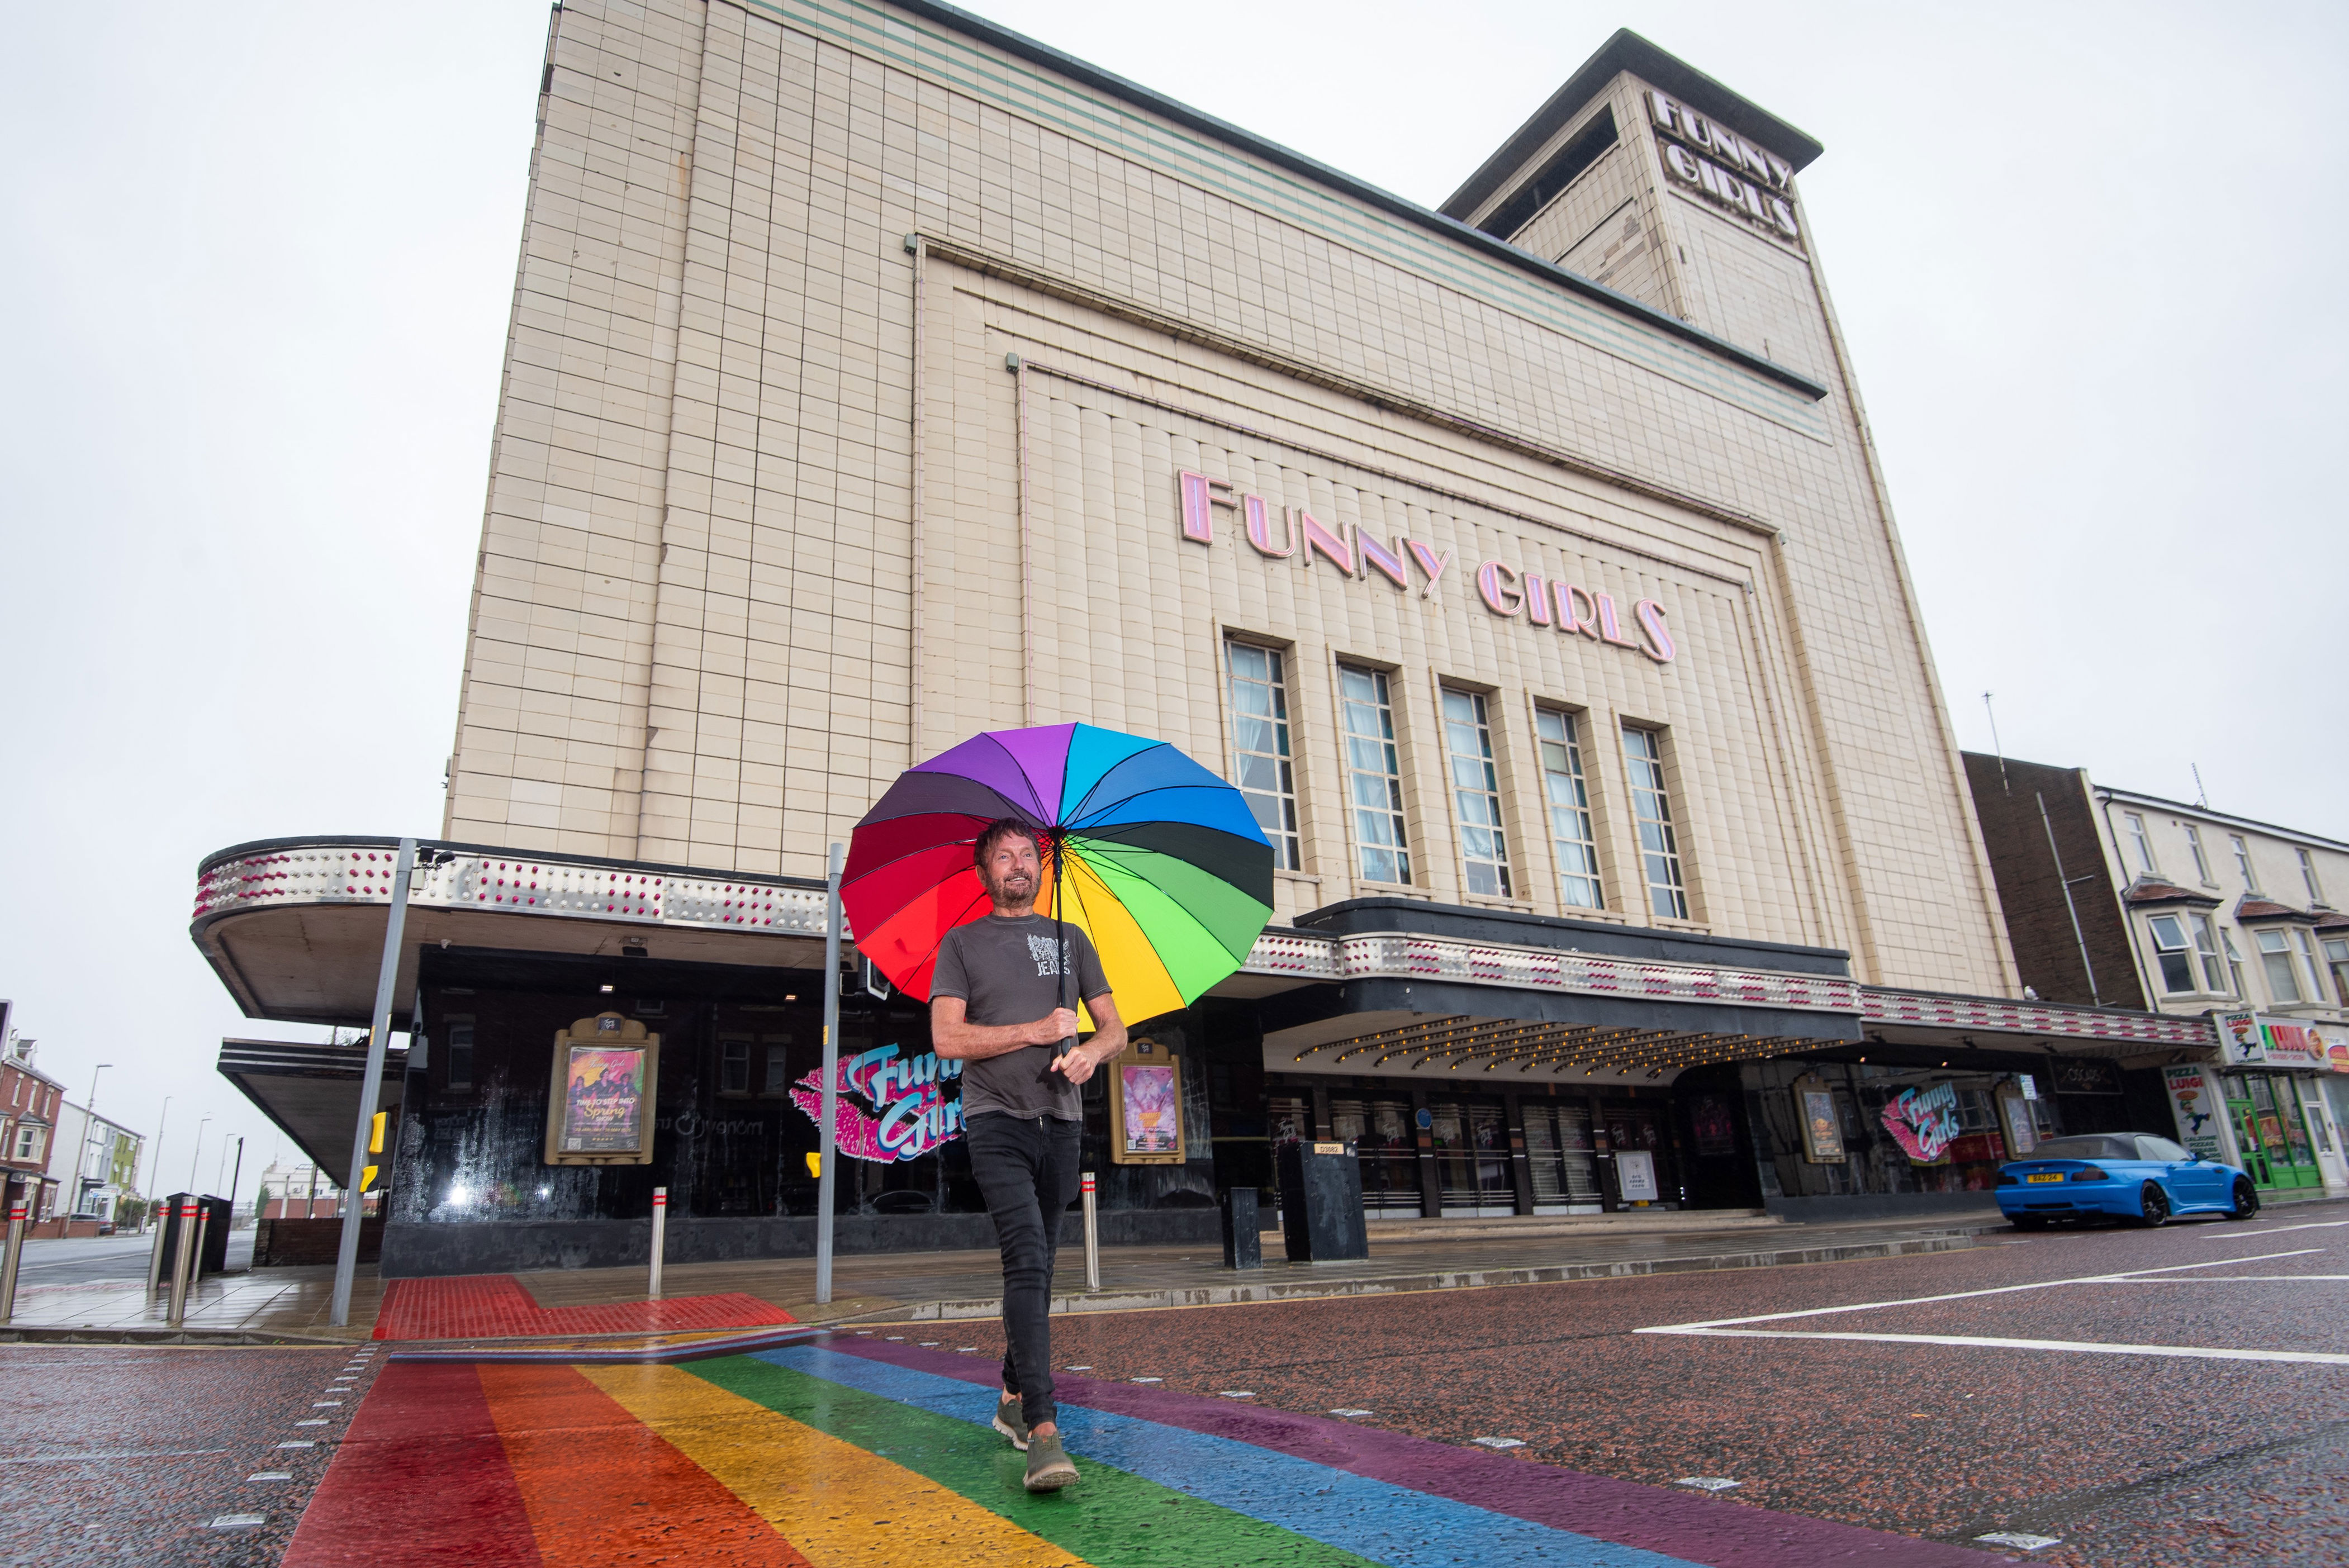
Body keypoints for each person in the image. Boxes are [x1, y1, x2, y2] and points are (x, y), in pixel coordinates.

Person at [930, 817, 1125, 1492]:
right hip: (995, 1121)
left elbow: (1116, 1026)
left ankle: (1012, 1398)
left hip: (1062, 1122)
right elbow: (948, 1040)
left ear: (1040, 869)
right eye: (1004, 857)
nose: (1018, 864)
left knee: (1039, 1270)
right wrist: (1036, 1030)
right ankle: (1043, 1430)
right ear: (985, 874)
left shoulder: (1071, 941)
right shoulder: (960, 944)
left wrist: (1090, 1053)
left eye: (1027, 855)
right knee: (1027, 1258)